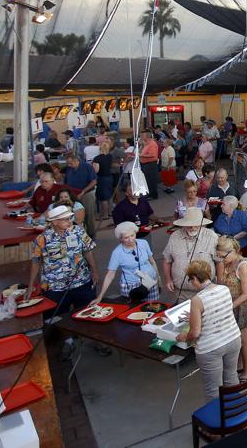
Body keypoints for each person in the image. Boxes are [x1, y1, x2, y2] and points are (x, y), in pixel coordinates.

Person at [26, 205, 99, 356]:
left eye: (69, 218)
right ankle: (67, 342)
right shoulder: (42, 239)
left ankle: (93, 339)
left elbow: (88, 250)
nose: (69, 221)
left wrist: (95, 270)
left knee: (88, 310)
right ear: (55, 222)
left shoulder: (78, 231)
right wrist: (31, 285)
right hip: (55, 286)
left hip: (81, 280)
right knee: (59, 316)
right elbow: (36, 261)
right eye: (65, 219)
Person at [174, 260, 242, 402]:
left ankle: (217, 420)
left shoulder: (197, 300)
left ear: (195, 278)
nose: (191, 283)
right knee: (231, 377)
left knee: (213, 389)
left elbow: (195, 333)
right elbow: (219, 312)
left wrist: (183, 336)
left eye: (190, 280)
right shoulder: (224, 289)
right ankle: (235, 411)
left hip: (211, 348)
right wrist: (194, 316)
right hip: (233, 339)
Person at [214, 237, 247, 381]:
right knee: (233, 339)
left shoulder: (243, 265)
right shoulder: (222, 263)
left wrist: (229, 306)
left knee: (243, 339)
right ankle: (238, 364)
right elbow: (220, 284)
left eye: (222, 256)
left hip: (244, 307)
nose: (220, 259)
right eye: (218, 256)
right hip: (229, 304)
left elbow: (246, 293)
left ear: (232, 251)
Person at [93, 222, 161, 304]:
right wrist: (100, 296)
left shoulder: (143, 243)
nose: (130, 239)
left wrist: (158, 278)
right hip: (132, 286)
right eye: (126, 237)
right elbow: (110, 275)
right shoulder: (117, 252)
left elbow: (152, 262)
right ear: (120, 239)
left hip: (151, 281)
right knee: (134, 311)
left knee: (153, 307)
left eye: (132, 235)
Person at [93, 142, 115, 218]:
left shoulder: (97, 158)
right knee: (109, 195)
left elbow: (96, 170)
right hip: (109, 177)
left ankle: (105, 215)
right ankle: (110, 212)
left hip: (101, 178)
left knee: (103, 197)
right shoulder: (110, 156)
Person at [138, 130, 160, 200]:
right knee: (147, 180)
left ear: (147, 136)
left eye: (142, 135)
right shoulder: (147, 143)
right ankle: (148, 193)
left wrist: (141, 155)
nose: (141, 136)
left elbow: (153, 155)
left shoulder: (152, 144)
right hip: (146, 164)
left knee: (151, 180)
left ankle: (153, 195)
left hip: (150, 165)